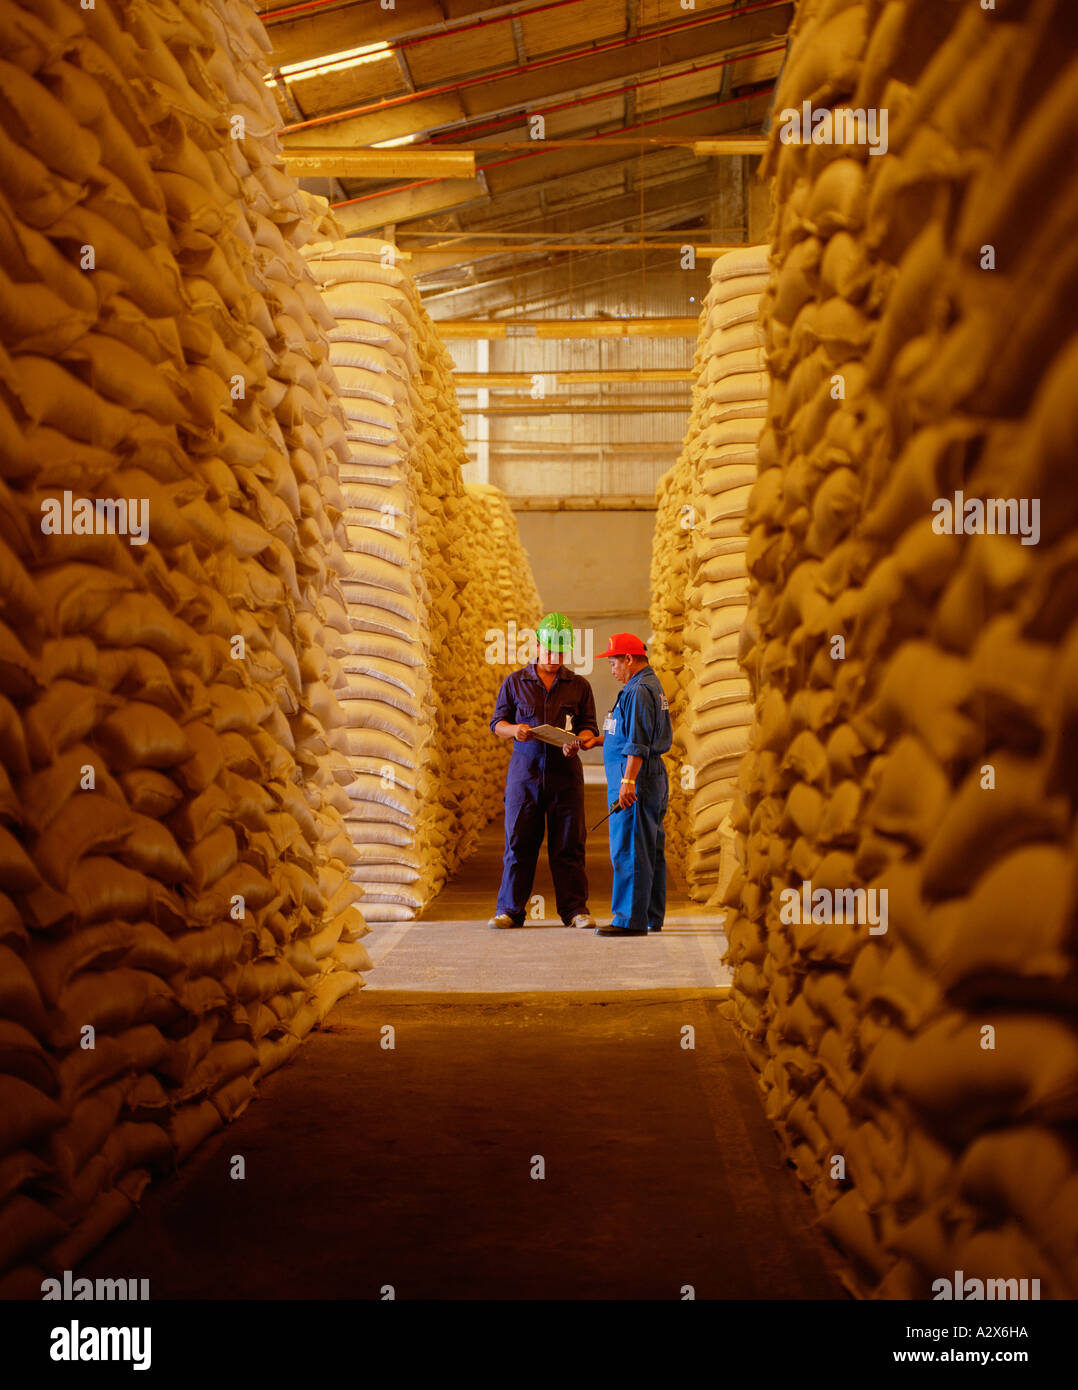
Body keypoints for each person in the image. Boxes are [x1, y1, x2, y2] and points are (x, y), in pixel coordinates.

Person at [488, 612, 599, 930]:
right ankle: (510, 910)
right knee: (519, 843)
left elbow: (589, 727)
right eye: (549, 651)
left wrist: (580, 741)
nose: (554, 658)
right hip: (526, 775)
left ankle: (575, 910)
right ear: (537, 645)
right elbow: (498, 723)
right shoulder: (514, 682)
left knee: (569, 845)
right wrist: (515, 730)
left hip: (565, 776)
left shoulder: (578, 686)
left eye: (561, 652)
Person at [578, 633, 672, 936]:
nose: (612, 669)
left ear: (629, 659)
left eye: (614, 662)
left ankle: (628, 920)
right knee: (649, 849)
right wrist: (597, 741)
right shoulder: (644, 687)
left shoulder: (639, 690)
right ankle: (649, 916)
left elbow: (638, 743)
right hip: (648, 777)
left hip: (636, 778)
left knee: (629, 848)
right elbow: (628, 732)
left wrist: (628, 780)